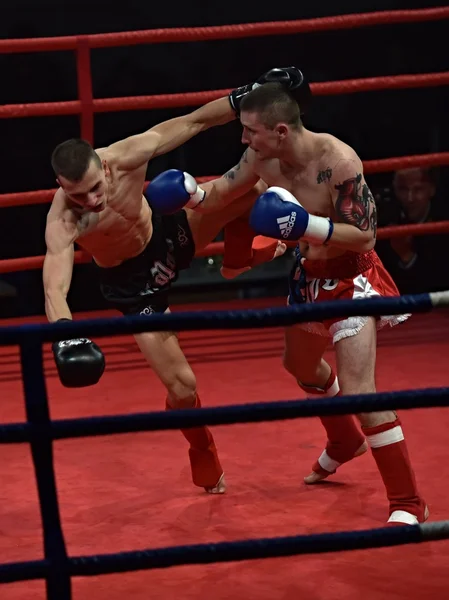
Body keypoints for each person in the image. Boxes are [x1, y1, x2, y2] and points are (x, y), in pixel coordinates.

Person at [148, 82, 427, 524]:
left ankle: (408, 502)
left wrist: (306, 225)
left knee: (360, 392)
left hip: (351, 277)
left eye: (250, 132)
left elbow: (367, 235)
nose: (243, 139)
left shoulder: (339, 161)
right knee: (300, 367)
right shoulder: (262, 156)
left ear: (280, 130)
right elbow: (224, 190)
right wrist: (193, 194)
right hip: (308, 278)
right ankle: (342, 442)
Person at [43, 68, 307, 495]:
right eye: (78, 195)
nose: (92, 200)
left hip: (168, 235)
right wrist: (65, 336)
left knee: (254, 186)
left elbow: (194, 121)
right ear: (61, 186)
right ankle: (201, 446)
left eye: (95, 188)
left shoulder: (128, 155)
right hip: (134, 287)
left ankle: (237, 263)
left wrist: (247, 95)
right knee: (183, 387)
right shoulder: (63, 219)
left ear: (103, 165)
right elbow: (55, 284)